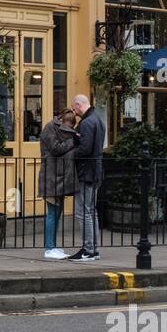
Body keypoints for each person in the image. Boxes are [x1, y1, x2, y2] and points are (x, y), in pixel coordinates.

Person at [38, 108, 79, 260]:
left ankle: (53, 246)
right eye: (68, 127)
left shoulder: (63, 131)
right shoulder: (50, 127)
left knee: (57, 213)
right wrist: (72, 141)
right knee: (52, 213)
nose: (69, 130)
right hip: (50, 177)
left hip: (60, 177)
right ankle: (49, 248)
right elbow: (55, 149)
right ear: (62, 121)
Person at [71, 93, 105, 262]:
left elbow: (84, 149)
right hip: (97, 171)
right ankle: (94, 249)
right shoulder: (98, 120)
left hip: (86, 173)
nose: (73, 110)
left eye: (74, 107)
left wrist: (70, 154)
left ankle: (88, 250)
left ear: (79, 105)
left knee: (83, 212)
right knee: (92, 211)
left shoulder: (86, 123)